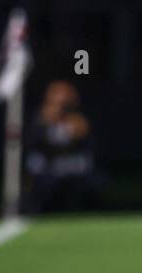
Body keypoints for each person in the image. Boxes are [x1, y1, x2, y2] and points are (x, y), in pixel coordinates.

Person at [25, 80, 99, 213]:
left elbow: (82, 143)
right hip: (47, 169)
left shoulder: (78, 120)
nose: (60, 105)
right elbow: (37, 146)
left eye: (64, 102)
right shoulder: (41, 119)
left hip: (71, 168)